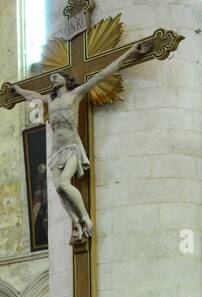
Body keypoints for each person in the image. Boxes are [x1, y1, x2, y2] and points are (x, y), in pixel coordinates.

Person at [13, 41, 148, 242]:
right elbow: (32, 96)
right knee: (59, 190)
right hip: (55, 151)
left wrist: (129, 53)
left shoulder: (75, 95)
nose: (53, 78)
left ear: (66, 80)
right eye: (52, 77)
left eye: (56, 75)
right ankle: (75, 221)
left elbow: (103, 75)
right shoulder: (52, 101)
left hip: (71, 148)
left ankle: (85, 217)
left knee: (64, 185)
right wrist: (17, 89)